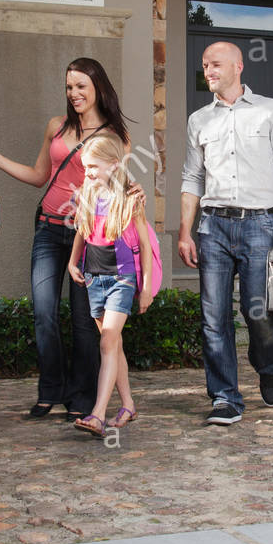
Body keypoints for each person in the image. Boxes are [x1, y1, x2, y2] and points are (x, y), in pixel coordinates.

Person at [0, 58, 139, 421]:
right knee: (43, 312)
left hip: (88, 236)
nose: (74, 94)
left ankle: (81, 397)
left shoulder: (116, 135)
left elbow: (120, 183)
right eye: (69, 87)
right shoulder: (56, 127)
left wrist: (137, 196)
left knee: (86, 320)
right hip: (48, 228)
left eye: (81, 86)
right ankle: (49, 390)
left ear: (98, 87)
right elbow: (40, 175)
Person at [179, 41, 273, 426]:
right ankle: (225, 398)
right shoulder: (198, 120)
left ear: (238, 65)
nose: (208, 71)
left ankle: (268, 366)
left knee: (259, 312)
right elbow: (192, 177)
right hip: (212, 226)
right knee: (213, 317)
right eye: (204, 65)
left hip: (259, 224)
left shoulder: (270, 110)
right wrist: (185, 231)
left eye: (215, 64)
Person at [65, 135, 155, 437]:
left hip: (122, 280)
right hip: (94, 279)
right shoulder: (86, 196)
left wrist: (145, 288)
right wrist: (72, 263)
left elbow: (143, 243)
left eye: (93, 166)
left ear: (114, 165)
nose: (88, 172)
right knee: (114, 345)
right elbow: (82, 231)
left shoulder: (130, 199)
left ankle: (97, 414)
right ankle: (127, 404)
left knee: (106, 342)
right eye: (85, 167)